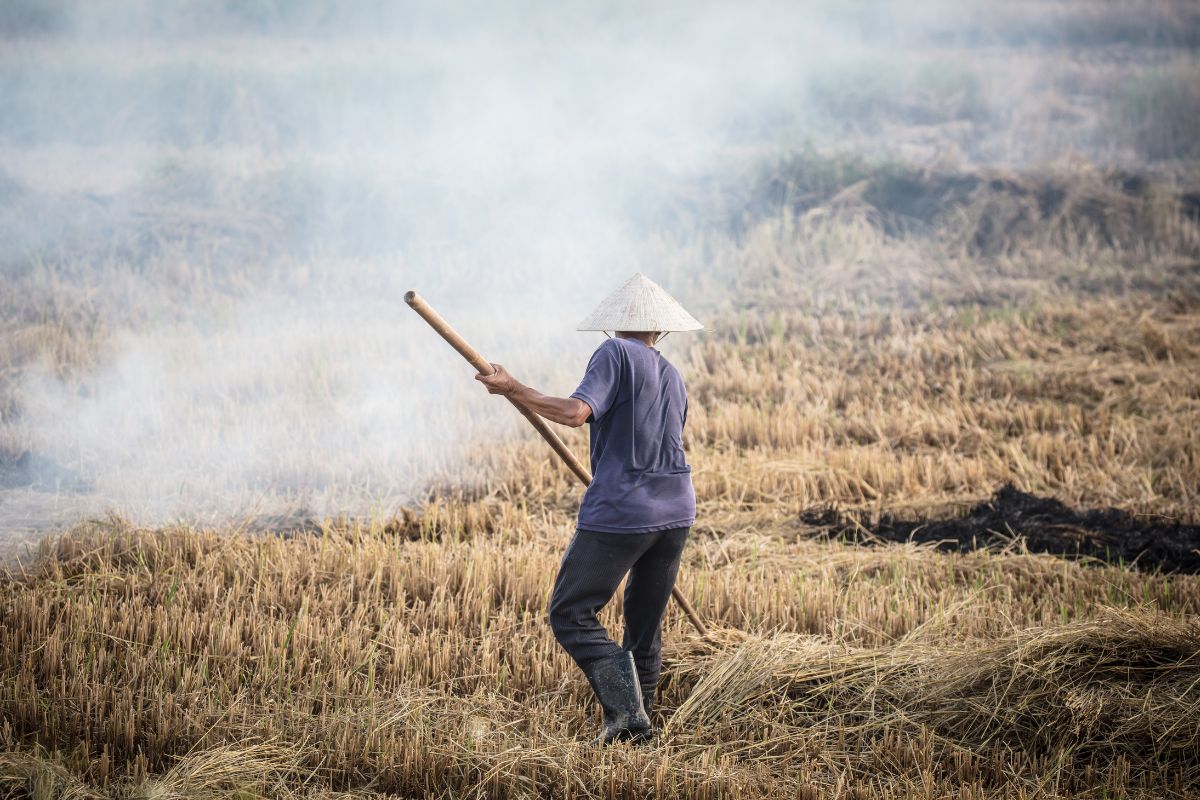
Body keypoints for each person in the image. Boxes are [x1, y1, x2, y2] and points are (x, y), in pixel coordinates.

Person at [475, 272, 704, 744]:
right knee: (644, 625)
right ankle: (643, 722)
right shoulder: (673, 375)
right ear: (659, 330)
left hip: (624, 512)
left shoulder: (614, 352)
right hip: (676, 510)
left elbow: (577, 413)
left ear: (613, 325)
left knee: (571, 612)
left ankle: (627, 719)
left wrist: (513, 387)